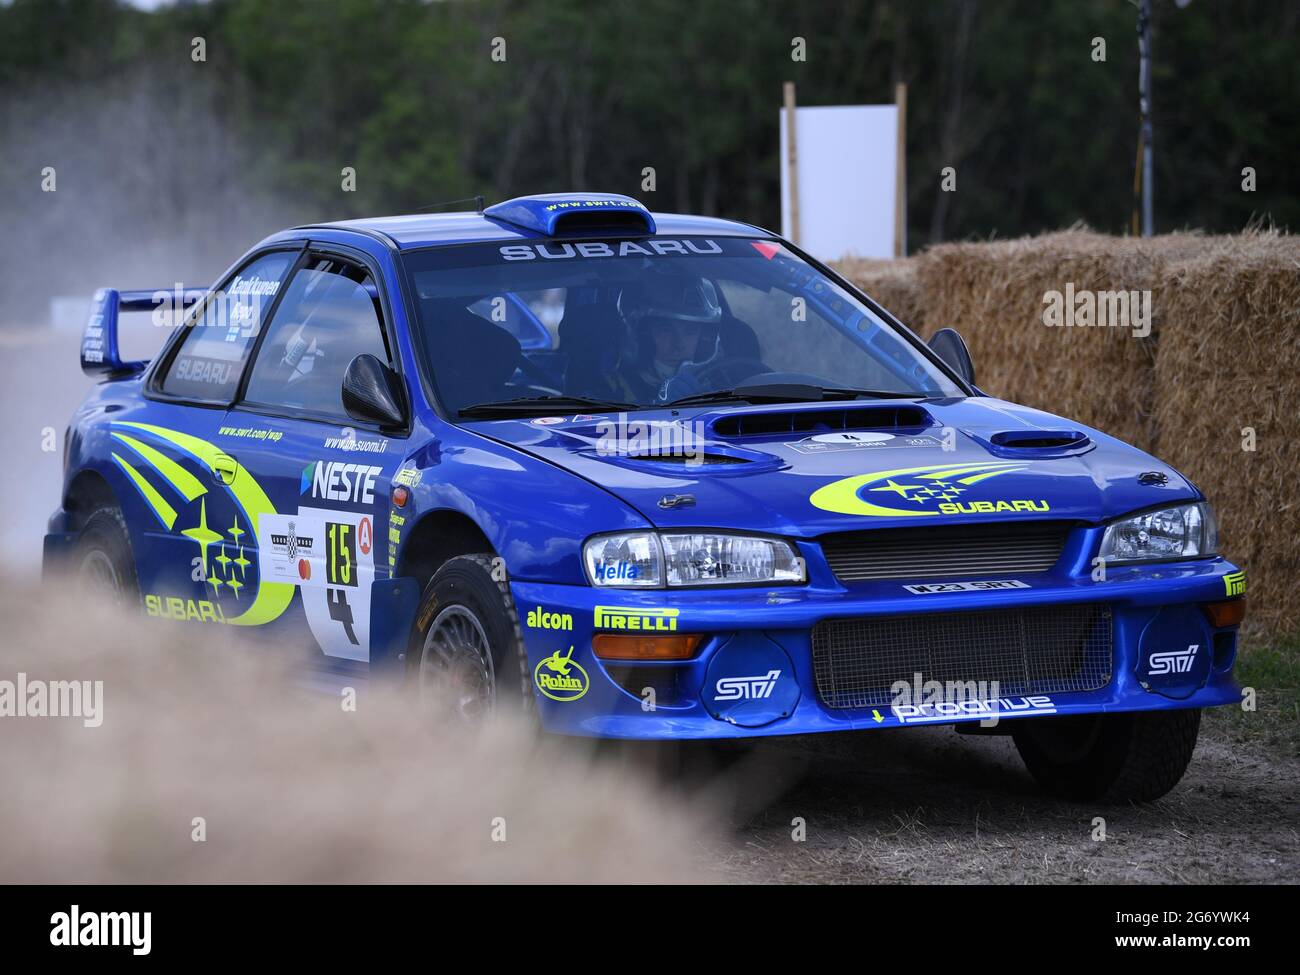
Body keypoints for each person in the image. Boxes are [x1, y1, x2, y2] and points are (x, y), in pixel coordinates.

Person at [618, 273, 723, 400]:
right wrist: (657, 407)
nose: (679, 345)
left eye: (690, 332)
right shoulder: (611, 388)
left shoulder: (720, 381)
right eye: (665, 330)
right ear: (642, 336)